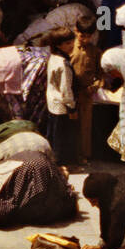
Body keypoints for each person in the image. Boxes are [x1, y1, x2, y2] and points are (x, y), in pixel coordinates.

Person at [43, 28, 76, 167]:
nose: (72, 45)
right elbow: (65, 89)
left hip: (51, 101)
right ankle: (58, 167)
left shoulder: (53, 57)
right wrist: (72, 108)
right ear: (58, 45)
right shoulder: (63, 63)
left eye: (72, 41)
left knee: (53, 136)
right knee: (60, 139)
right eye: (67, 43)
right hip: (61, 106)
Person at [71, 12, 101, 165]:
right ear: (76, 31)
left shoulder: (95, 52)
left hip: (86, 94)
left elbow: (99, 75)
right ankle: (69, 155)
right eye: (82, 36)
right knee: (70, 126)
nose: (84, 39)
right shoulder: (69, 48)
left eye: (88, 37)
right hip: (70, 94)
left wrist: (94, 87)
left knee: (85, 127)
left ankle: (83, 156)